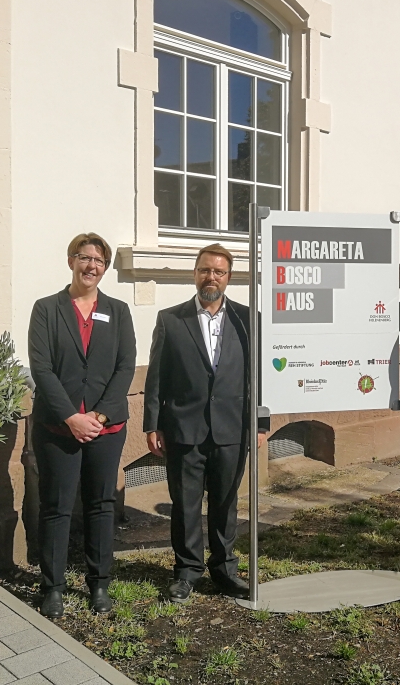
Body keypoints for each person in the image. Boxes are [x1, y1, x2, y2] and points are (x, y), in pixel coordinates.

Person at [143, 243, 266, 603]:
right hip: (184, 428)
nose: (211, 277)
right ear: (194, 273)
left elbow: (258, 377)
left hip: (232, 428)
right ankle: (187, 571)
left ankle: (225, 569)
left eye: (219, 271)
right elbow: (156, 377)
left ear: (229, 278)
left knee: (226, 503)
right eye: (204, 270)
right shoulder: (171, 318)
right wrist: (152, 423)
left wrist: (260, 423)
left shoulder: (247, 319)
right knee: (185, 504)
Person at [28, 233, 136, 618]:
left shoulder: (119, 311)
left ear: (105, 267)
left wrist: (101, 416)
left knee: (101, 505)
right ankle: (53, 587)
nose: (91, 266)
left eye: (99, 261)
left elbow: (126, 367)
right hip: (58, 429)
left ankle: (99, 583)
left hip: (106, 430)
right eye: (84, 257)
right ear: (71, 260)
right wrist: (72, 417)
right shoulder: (46, 309)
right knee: (56, 507)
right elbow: (41, 368)